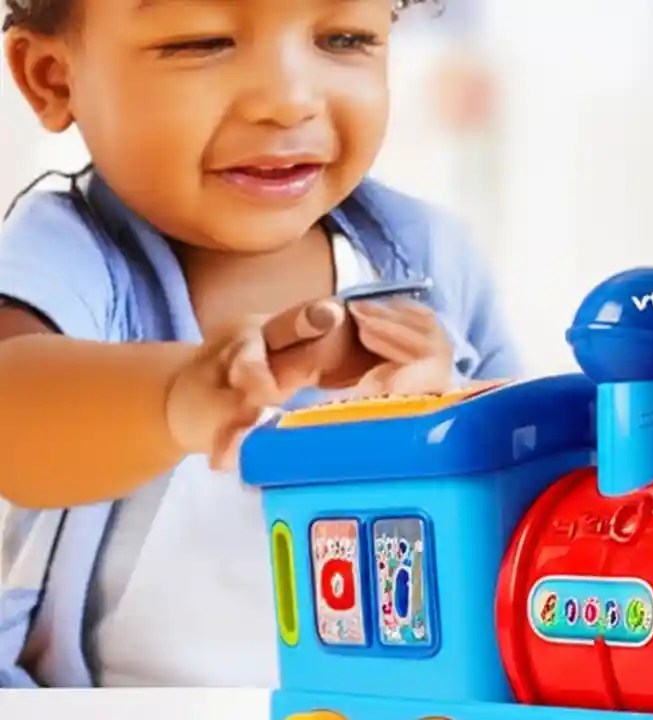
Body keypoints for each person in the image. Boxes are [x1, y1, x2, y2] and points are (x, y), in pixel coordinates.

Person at [0, 0, 519, 688]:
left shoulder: (426, 257)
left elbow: (536, 507)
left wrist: (443, 423)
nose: (289, 101)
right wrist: (175, 399)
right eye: (202, 42)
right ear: (53, 79)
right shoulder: (73, 254)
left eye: (344, 38)